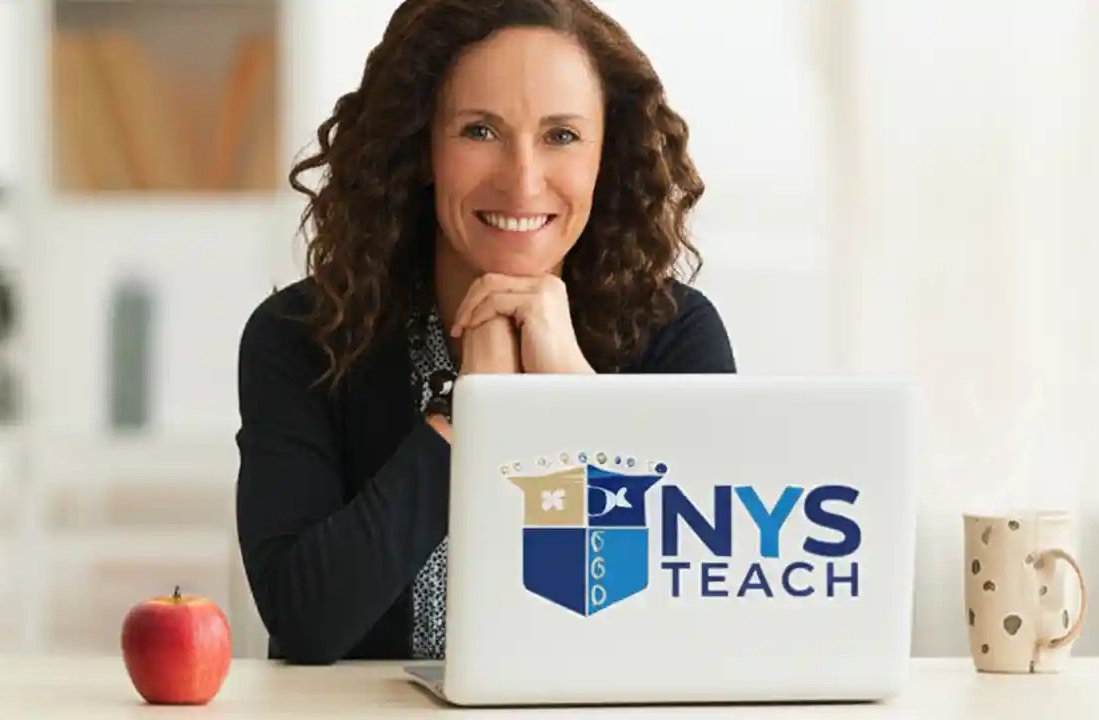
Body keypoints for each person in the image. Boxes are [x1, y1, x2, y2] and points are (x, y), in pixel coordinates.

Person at [235, 0, 736, 665]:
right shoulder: (301, 337)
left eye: (561, 135)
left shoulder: (677, 335)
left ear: (605, 155)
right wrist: (466, 415)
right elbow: (308, 623)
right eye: (479, 131)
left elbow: (703, 619)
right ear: (421, 148)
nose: (522, 182)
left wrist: (576, 401)